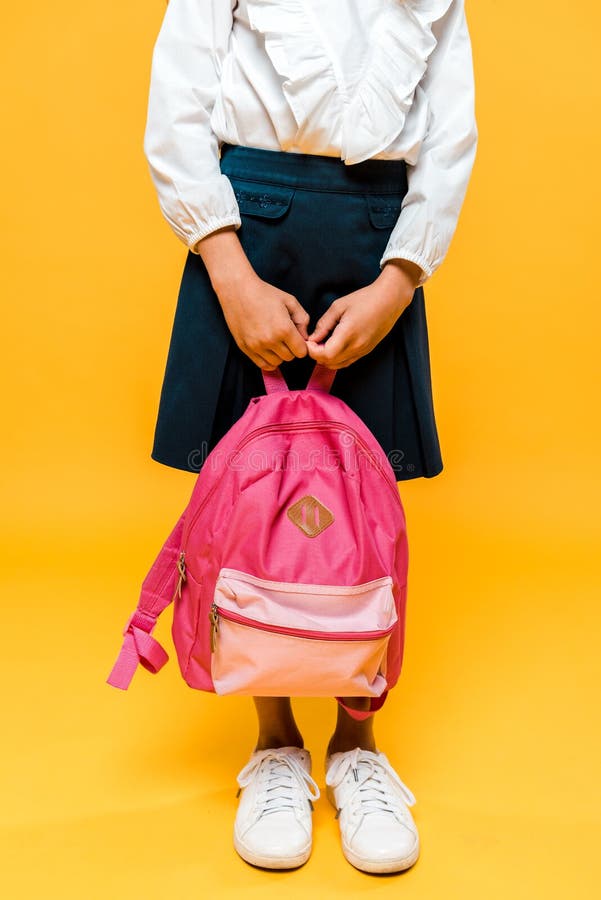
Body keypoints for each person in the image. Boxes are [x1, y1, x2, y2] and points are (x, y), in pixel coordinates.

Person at [142, 0, 478, 875]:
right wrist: (228, 271)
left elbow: (449, 133)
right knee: (255, 508)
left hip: (376, 242)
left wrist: (400, 280)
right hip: (248, 232)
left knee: (356, 511)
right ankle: (275, 745)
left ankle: (357, 749)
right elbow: (176, 103)